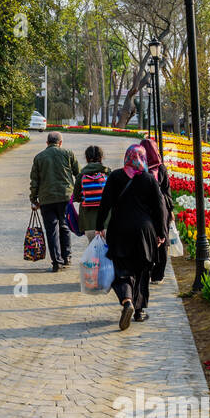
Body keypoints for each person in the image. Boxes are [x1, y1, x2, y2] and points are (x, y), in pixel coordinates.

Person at [95, 144, 167, 330]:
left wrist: (99, 226)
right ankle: (140, 311)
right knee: (142, 270)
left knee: (121, 269)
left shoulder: (116, 176)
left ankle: (127, 301)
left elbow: (105, 203)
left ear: (127, 157)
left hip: (119, 229)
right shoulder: (149, 179)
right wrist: (161, 233)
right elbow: (160, 208)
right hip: (145, 231)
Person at [29, 131, 80, 272]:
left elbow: (34, 181)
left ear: (47, 143)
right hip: (65, 197)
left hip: (46, 199)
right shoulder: (68, 154)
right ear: (60, 143)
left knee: (52, 230)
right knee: (65, 226)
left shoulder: (39, 157)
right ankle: (67, 257)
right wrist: (79, 193)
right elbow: (79, 174)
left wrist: (33, 199)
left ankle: (56, 262)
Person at [139, 137, 174, 284]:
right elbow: (167, 190)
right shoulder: (161, 168)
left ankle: (147, 268)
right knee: (162, 238)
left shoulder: (139, 168)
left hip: (145, 208)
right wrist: (170, 209)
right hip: (162, 208)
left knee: (148, 238)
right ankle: (158, 274)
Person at [77, 145, 109, 230]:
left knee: (92, 243)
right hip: (107, 222)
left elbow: (76, 197)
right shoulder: (108, 173)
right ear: (101, 158)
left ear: (87, 158)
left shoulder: (81, 175)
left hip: (88, 223)